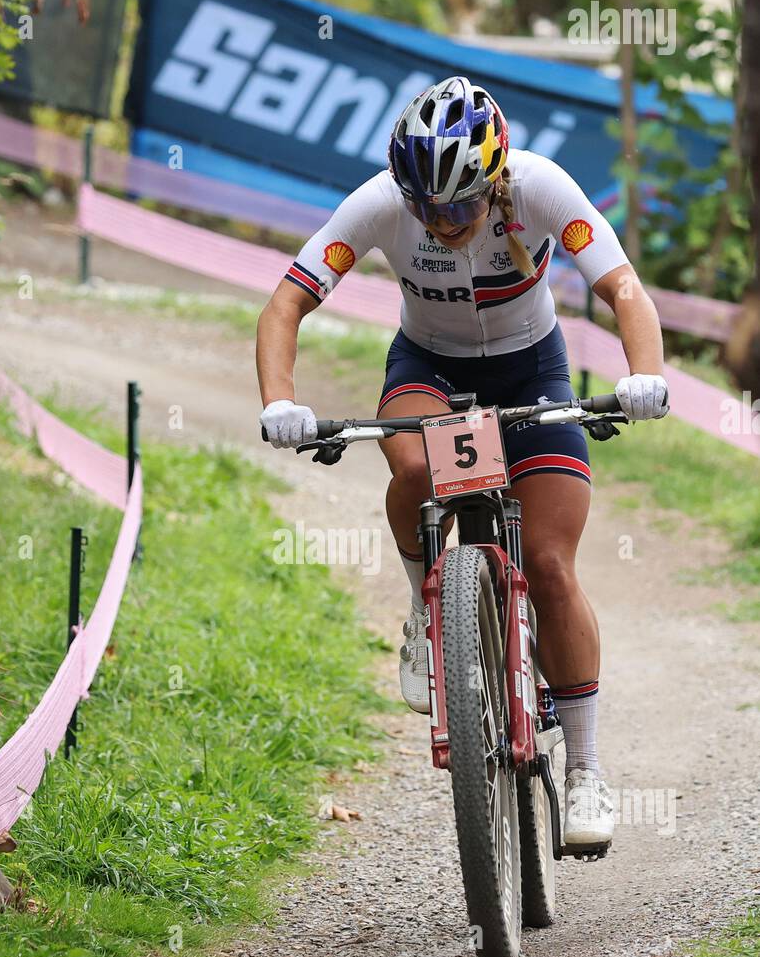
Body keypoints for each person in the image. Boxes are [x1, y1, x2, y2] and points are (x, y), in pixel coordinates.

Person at [256, 76, 669, 850]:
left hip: (533, 372)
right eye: (426, 208)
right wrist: (280, 400)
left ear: (495, 179)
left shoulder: (542, 187)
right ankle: (424, 614)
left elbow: (622, 287)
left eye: (459, 207)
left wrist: (642, 374)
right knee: (412, 468)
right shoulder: (380, 202)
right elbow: (287, 301)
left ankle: (585, 769)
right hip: (428, 370)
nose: (441, 224)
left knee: (548, 563)